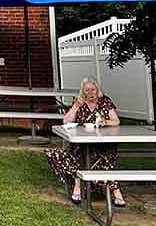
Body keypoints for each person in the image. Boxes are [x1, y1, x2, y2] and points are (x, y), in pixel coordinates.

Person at [46, 77, 126, 207]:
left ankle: (115, 191)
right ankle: (78, 185)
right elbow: (66, 121)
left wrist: (105, 122)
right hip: (82, 142)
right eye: (87, 90)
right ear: (83, 92)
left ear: (97, 90)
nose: (90, 93)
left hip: (103, 143)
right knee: (77, 154)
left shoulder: (105, 101)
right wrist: (76, 106)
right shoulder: (79, 102)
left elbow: (116, 121)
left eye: (93, 89)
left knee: (104, 157)